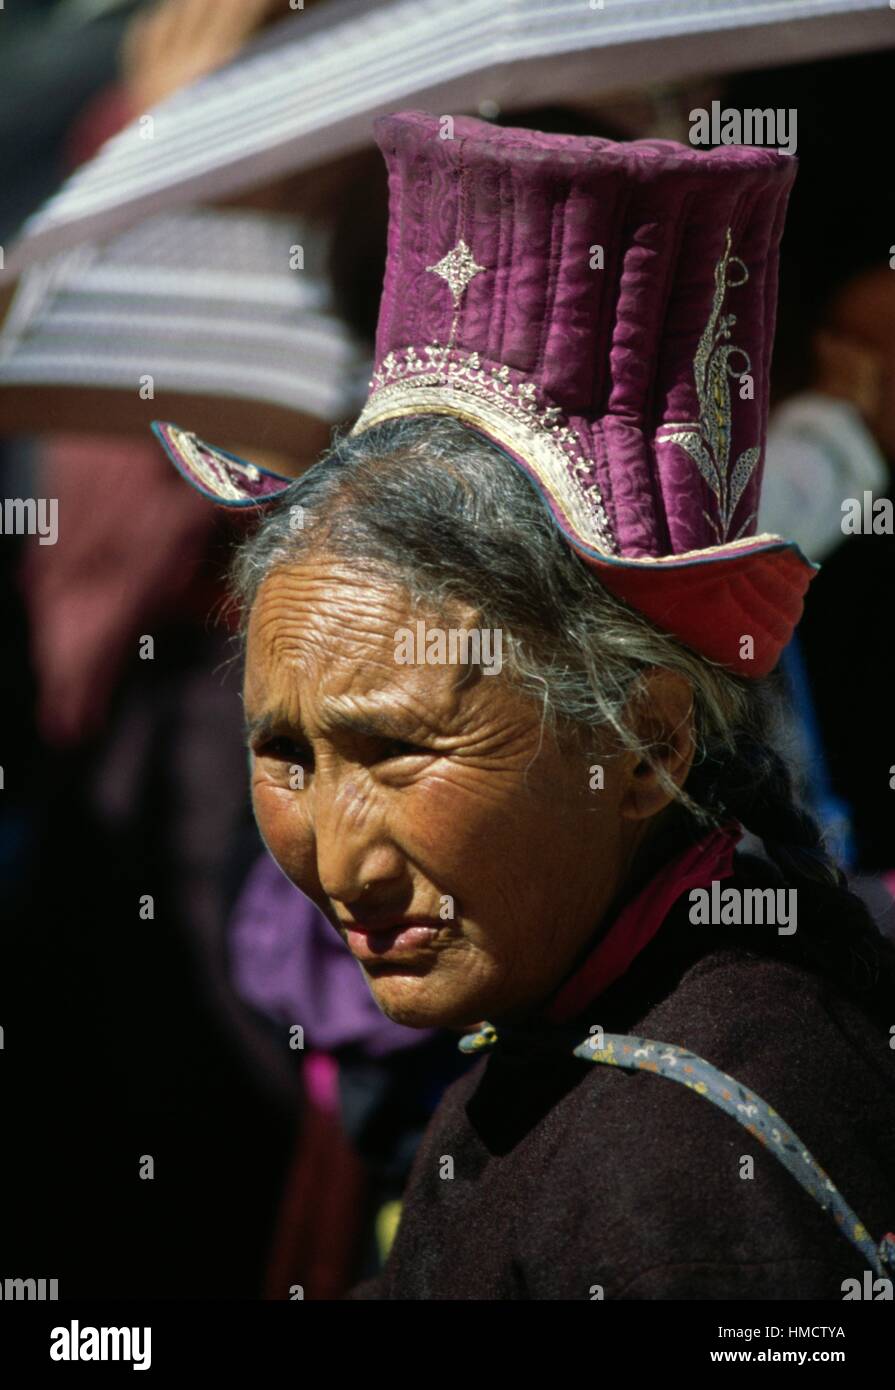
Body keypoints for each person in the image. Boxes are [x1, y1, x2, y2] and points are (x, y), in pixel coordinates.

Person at [153, 111, 895, 1299]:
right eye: (286, 752)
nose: (339, 860)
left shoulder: (670, 1172)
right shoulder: (597, 1048)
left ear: (647, 739)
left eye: (396, 751)